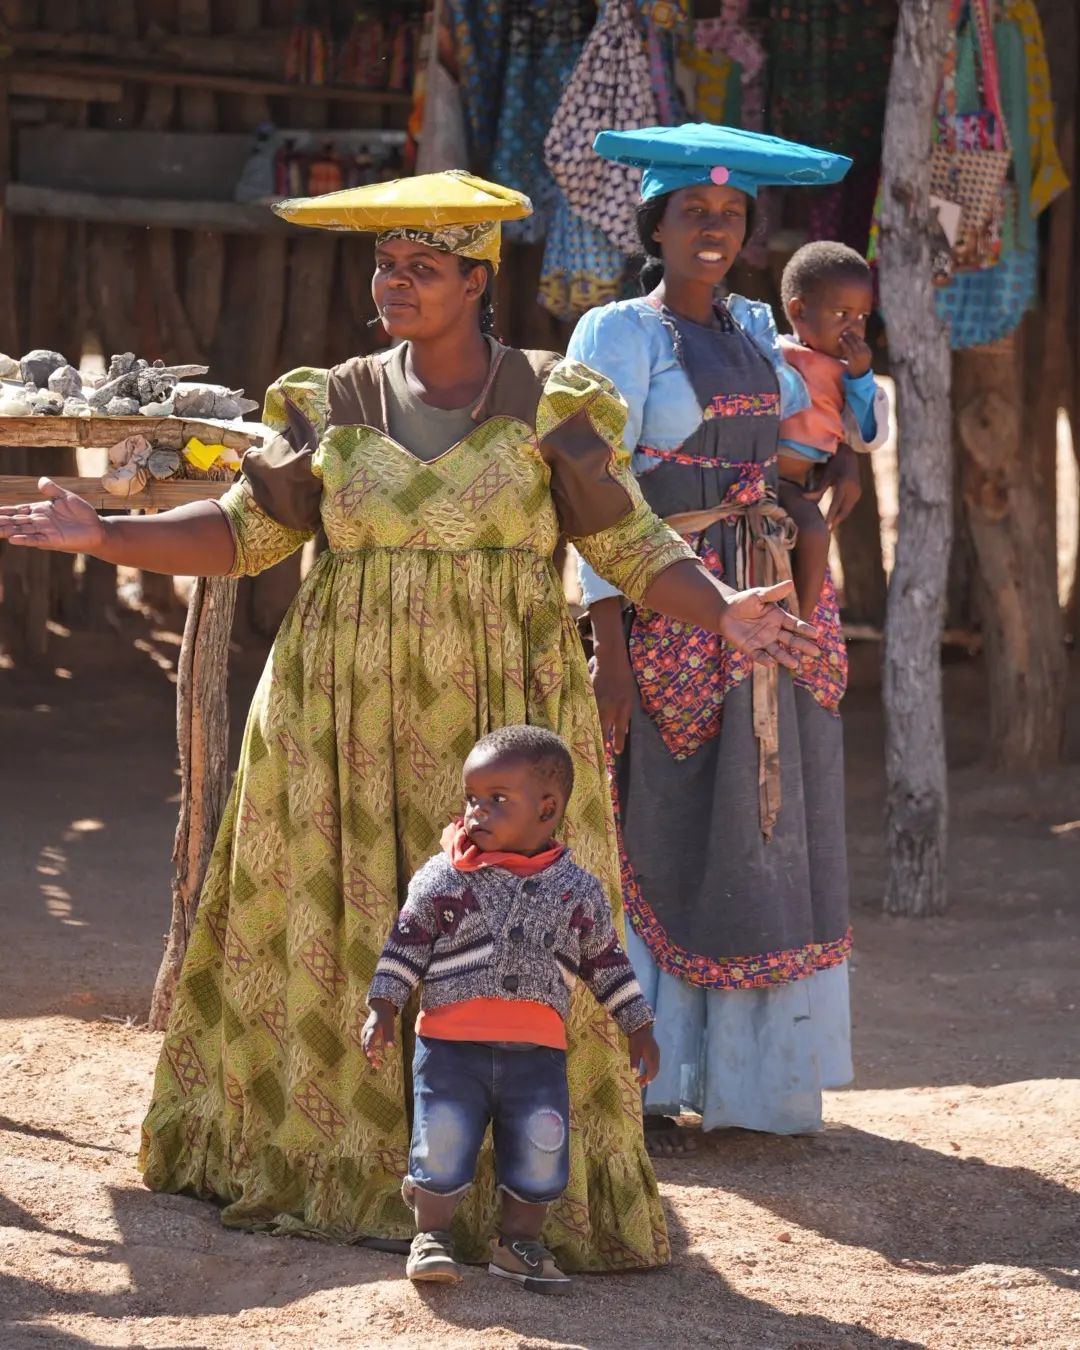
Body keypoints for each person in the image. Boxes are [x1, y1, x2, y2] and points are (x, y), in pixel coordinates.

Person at [0, 169, 816, 1269]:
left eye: (423, 266)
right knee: (340, 933)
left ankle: (515, 1194)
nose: (394, 283)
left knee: (513, 942)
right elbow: (242, 533)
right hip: (333, 718)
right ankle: (344, 1164)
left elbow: (626, 544)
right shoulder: (324, 402)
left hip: (502, 727)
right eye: (385, 264)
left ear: (477, 282)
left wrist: (722, 609)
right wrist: (103, 534)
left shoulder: (553, 400)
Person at [568, 126, 860, 1156]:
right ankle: (646, 1075)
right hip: (671, 606)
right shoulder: (619, 334)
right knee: (664, 812)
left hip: (767, 604)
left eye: (731, 214)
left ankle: (747, 1080)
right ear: (655, 225)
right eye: (693, 211)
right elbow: (593, 490)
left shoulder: (754, 326)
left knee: (762, 820)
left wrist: (828, 483)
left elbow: (799, 446)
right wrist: (607, 645)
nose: (714, 227)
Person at [362, 725, 660, 1292]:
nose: (476, 812)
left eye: (497, 800)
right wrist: (383, 1004)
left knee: (540, 1149)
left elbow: (607, 962)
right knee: (442, 1139)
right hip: (449, 1050)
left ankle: (518, 1244)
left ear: (547, 809)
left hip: (537, 1058)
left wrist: (638, 1026)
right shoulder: (443, 878)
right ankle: (432, 1237)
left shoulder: (577, 890)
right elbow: (405, 945)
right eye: (472, 798)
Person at [777, 241, 887, 620]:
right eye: (842, 314)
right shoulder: (773, 352)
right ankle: (798, 623)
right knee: (808, 534)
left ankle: (802, 622)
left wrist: (861, 378)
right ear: (799, 311)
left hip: (797, 485)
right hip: (761, 478)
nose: (853, 327)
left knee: (814, 534)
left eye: (862, 317)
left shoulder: (848, 376)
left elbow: (866, 433)